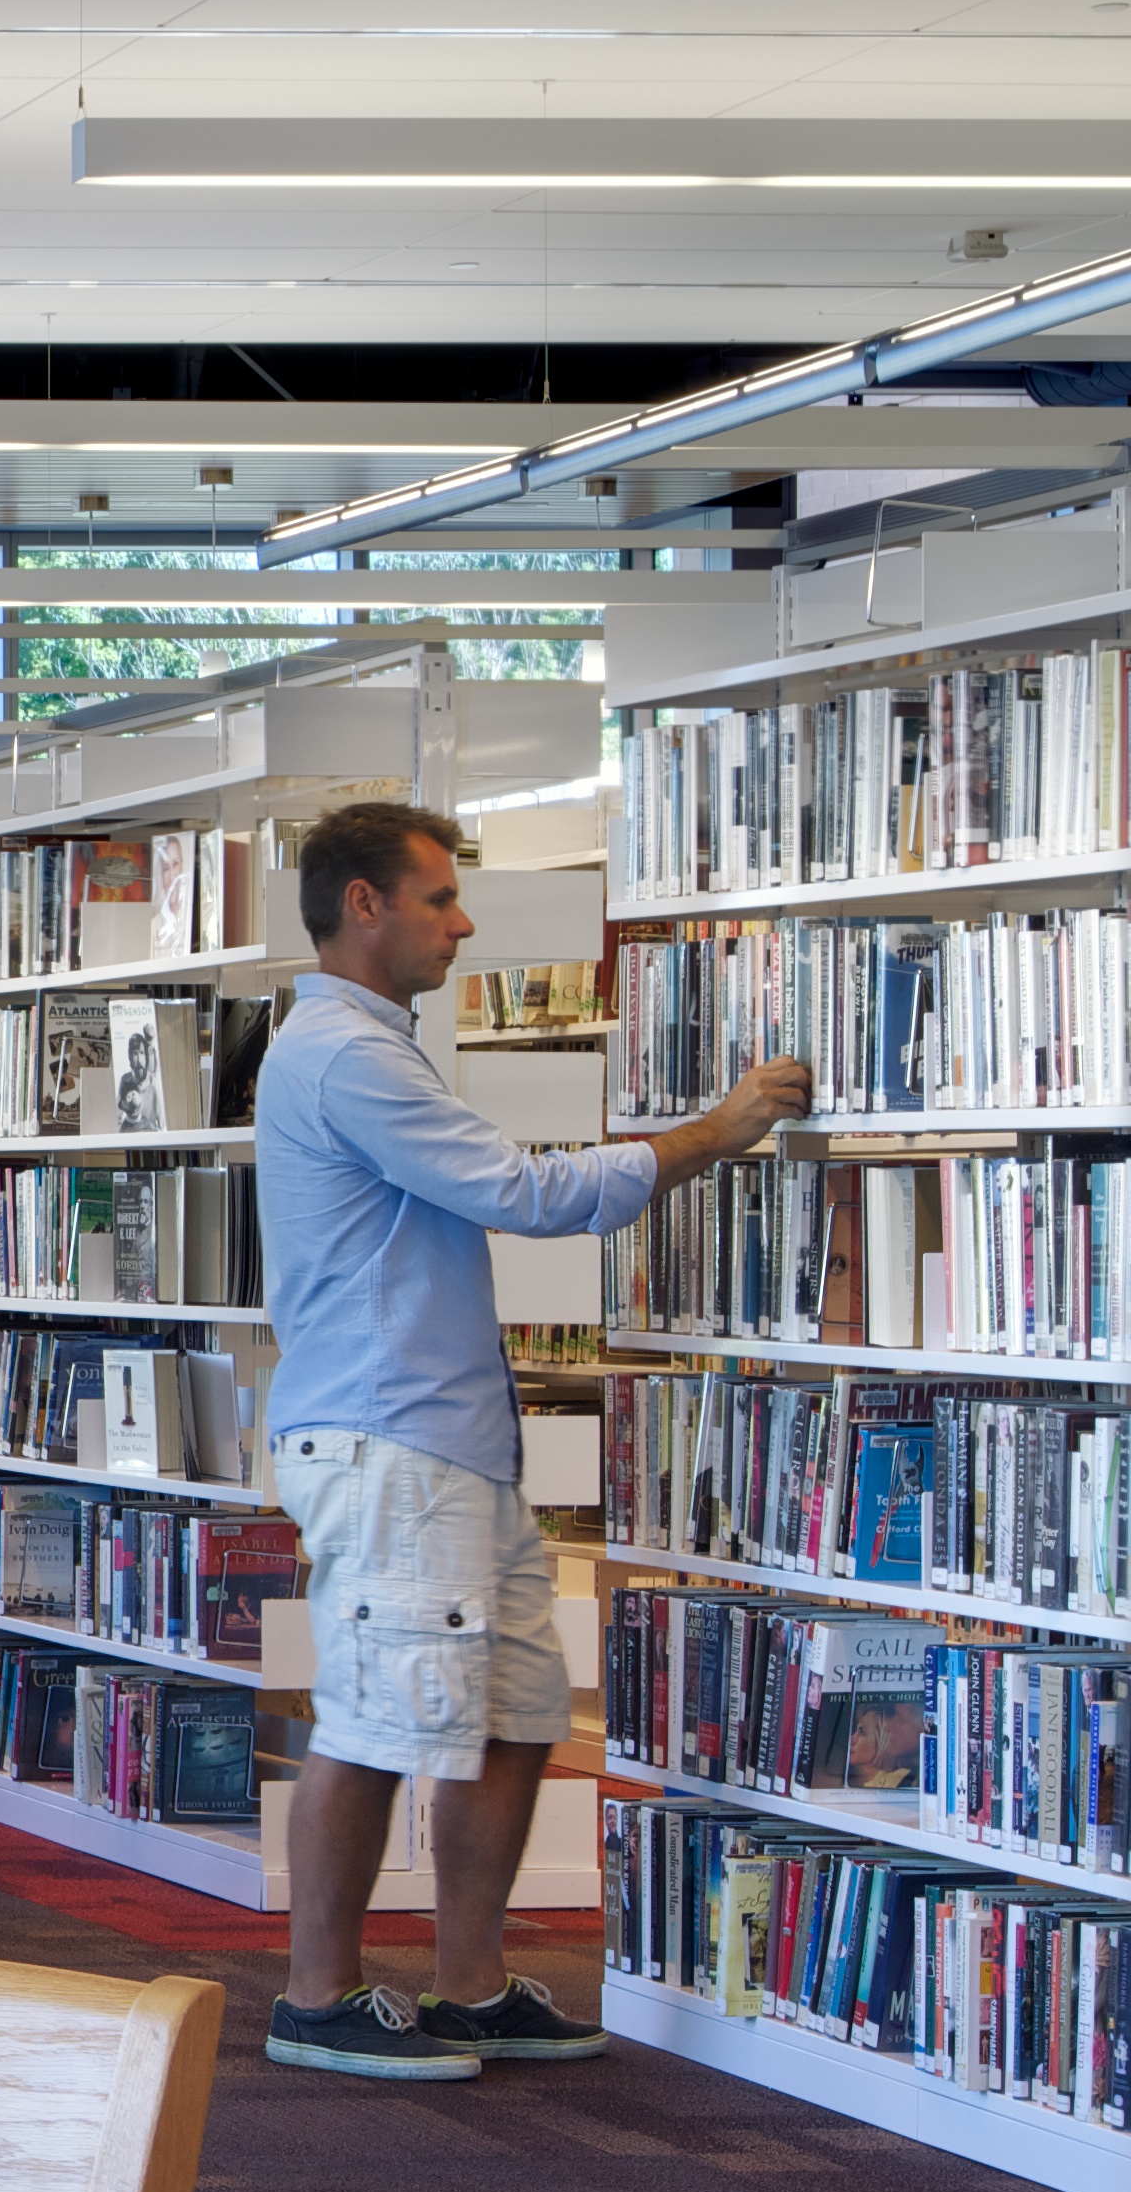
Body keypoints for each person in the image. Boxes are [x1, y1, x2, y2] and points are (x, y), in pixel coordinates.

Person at [252, 799, 805, 2080]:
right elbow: (520, 1192)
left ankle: (469, 1984)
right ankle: (316, 1996)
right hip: (395, 1444)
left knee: (507, 1714)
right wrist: (708, 1139)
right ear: (365, 906)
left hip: (445, 1442)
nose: (465, 920)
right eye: (439, 897)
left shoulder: (372, 1042)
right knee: (381, 1714)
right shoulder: (346, 1055)